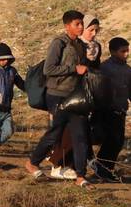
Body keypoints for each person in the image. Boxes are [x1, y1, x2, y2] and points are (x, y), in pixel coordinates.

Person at [26, 10, 93, 184]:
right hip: (56, 95)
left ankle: (80, 176)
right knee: (55, 133)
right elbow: (49, 69)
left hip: (75, 97)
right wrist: (73, 69)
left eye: (81, 24)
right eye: (76, 24)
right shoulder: (59, 43)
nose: (81, 27)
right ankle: (33, 163)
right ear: (66, 26)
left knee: (80, 135)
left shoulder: (80, 45)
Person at [93, 37, 129, 178]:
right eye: (123, 51)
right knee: (111, 141)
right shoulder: (105, 68)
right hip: (107, 110)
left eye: (127, 50)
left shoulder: (127, 69)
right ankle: (102, 169)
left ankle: (105, 169)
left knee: (118, 141)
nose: (126, 54)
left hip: (120, 110)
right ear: (113, 52)